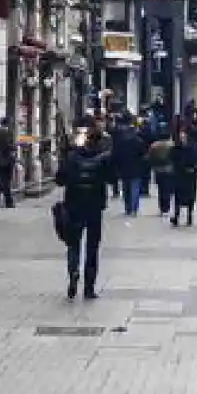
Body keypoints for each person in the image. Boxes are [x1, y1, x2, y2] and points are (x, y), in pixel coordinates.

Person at [55, 122, 114, 300]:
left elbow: (59, 180)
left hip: (74, 205)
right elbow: (111, 178)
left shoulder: (72, 157)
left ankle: (73, 273)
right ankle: (89, 287)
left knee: (73, 244)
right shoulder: (103, 158)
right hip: (94, 208)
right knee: (92, 247)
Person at [110, 118, 148, 218]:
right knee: (135, 189)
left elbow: (116, 155)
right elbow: (144, 155)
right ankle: (134, 209)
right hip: (136, 168)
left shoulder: (121, 143)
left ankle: (128, 208)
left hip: (124, 169)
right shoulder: (139, 142)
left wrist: (117, 167)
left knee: (126, 189)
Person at [170, 123, 197, 226]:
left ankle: (189, 215)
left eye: (184, 136)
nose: (182, 138)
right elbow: (172, 159)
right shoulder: (176, 148)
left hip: (190, 175)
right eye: (181, 136)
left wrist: (196, 169)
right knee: (178, 196)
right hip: (179, 175)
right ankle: (176, 216)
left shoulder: (194, 147)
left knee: (190, 197)